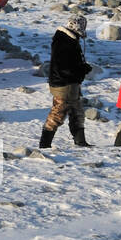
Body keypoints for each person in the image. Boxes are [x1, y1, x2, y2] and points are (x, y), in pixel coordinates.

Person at [40, 14, 93, 147]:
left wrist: (81, 69)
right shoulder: (65, 42)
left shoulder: (66, 38)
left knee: (77, 112)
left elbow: (66, 65)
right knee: (58, 113)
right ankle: (44, 145)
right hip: (64, 84)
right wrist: (82, 69)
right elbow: (64, 67)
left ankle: (80, 141)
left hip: (67, 83)